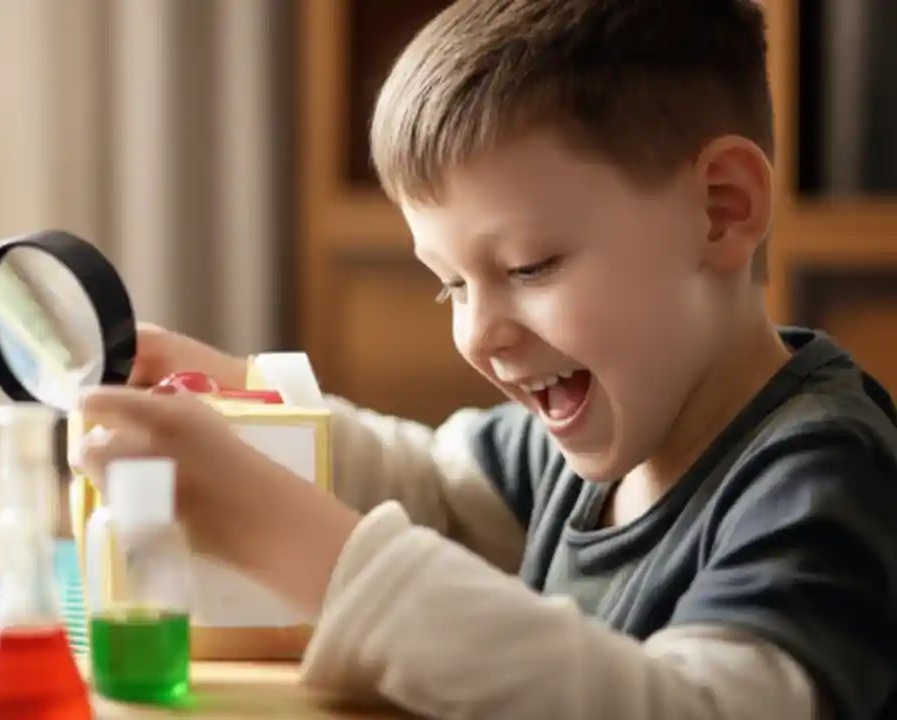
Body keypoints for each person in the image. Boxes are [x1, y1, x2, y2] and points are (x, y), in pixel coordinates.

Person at [74, 1, 897, 717]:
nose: (477, 334)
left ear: (720, 210)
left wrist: (321, 559)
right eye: (450, 287)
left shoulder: (820, 479)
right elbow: (434, 489)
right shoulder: (594, 443)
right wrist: (250, 402)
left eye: (529, 267)